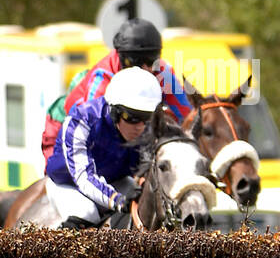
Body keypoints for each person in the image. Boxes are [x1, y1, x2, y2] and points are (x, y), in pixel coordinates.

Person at [40, 18, 196, 161]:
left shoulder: (162, 71)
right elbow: (92, 136)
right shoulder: (103, 79)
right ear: (121, 58)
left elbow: (187, 117)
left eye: (151, 61)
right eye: (136, 62)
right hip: (62, 130)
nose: (145, 69)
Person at [45, 67, 161, 230]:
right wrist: (117, 201)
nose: (140, 127)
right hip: (68, 184)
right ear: (114, 111)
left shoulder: (148, 129)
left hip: (116, 181)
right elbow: (84, 177)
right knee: (86, 213)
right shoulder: (81, 120)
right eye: (132, 117)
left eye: (147, 118)